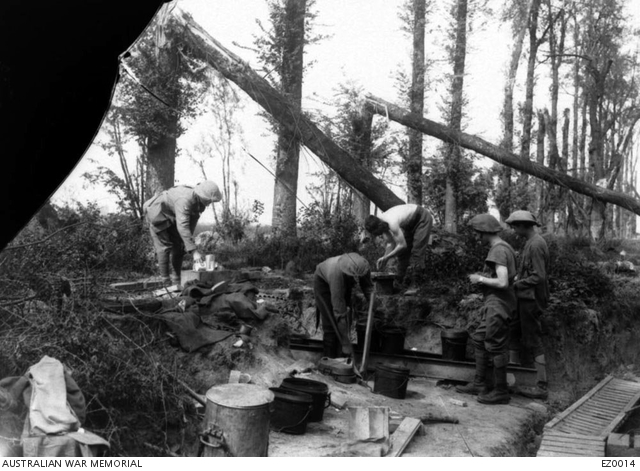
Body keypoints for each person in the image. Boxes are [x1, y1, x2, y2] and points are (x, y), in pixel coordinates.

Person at [456, 214, 517, 405]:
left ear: (484, 232)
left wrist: (479, 279)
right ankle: (480, 383)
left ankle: (500, 391)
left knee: (496, 346)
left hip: (499, 305)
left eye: (477, 233)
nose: (476, 237)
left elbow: (503, 281)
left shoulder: (498, 251)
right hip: (495, 302)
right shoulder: (504, 247)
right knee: (479, 338)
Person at [506, 210, 550, 400]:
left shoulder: (536, 245)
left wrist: (516, 283)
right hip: (524, 297)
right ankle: (512, 380)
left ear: (524, 225)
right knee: (513, 332)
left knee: (533, 339)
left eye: (515, 226)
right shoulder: (530, 243)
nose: (514, 230)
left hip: (531, 300)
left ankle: (541, 386)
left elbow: (538, 276)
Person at [143, 181, 222, 287]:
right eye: (208, 200)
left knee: (179, 247)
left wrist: (187, 244)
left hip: (173, 216)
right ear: (202, 196)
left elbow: (191, 224)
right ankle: (165, 283)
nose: (209, 203)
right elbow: (183, 226)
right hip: (157, 212)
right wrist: (194, 252)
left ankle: (176, 281)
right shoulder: (185, 199)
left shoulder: (199, 204)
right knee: (164, 248)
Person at [314, 253, 374, 359]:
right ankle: (330, 361)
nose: (356, 280)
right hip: (323, 282)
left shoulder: (363, 265)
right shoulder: (336, 276)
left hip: (343, 278)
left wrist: (374, 305)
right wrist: (346, 344)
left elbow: (368, 287)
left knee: (347, 320)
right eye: (353, 277)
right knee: (331, 324)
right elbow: (339, 313)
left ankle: (342, 355)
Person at [363, 204, 433, 290]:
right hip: (409, 224)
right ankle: (400, 282)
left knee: (417, 252)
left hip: (422, 218)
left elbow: (402, 245)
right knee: (403, 254)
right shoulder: (382, 223)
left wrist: (387, 257)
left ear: (378, 226)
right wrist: (384, 259)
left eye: (377, 232)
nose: (378, 234)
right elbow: (390, 244)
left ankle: (416, 284)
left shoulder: (391, 222)